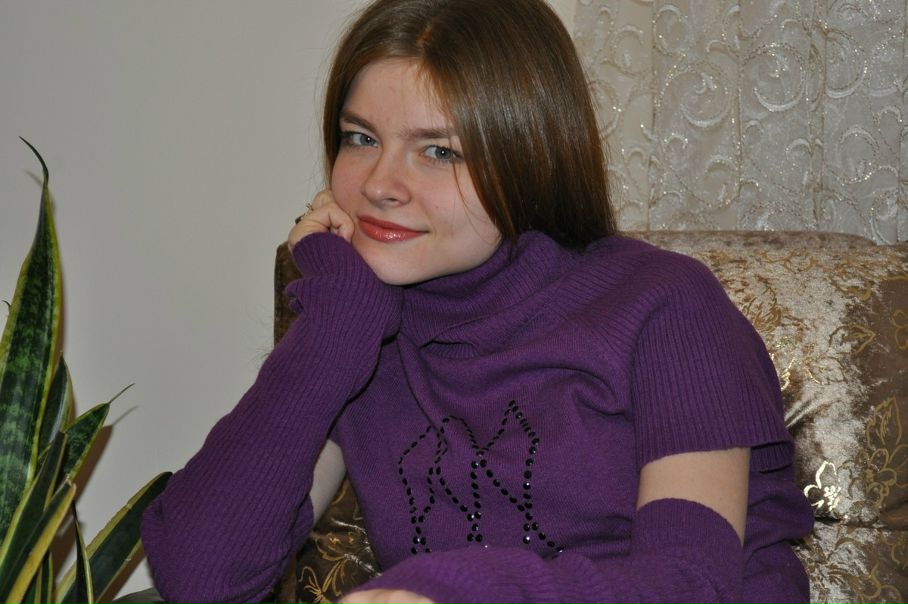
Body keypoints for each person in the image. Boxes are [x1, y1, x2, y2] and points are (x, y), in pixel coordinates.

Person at [141, 0, 814, 602]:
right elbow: (202, 576)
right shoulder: (361, 326)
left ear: (530, 157)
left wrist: (451, 588)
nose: (380, 184)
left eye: (438, 151)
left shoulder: (664, 307)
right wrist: (332, 327)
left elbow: (691, 585)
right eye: (361, 138)